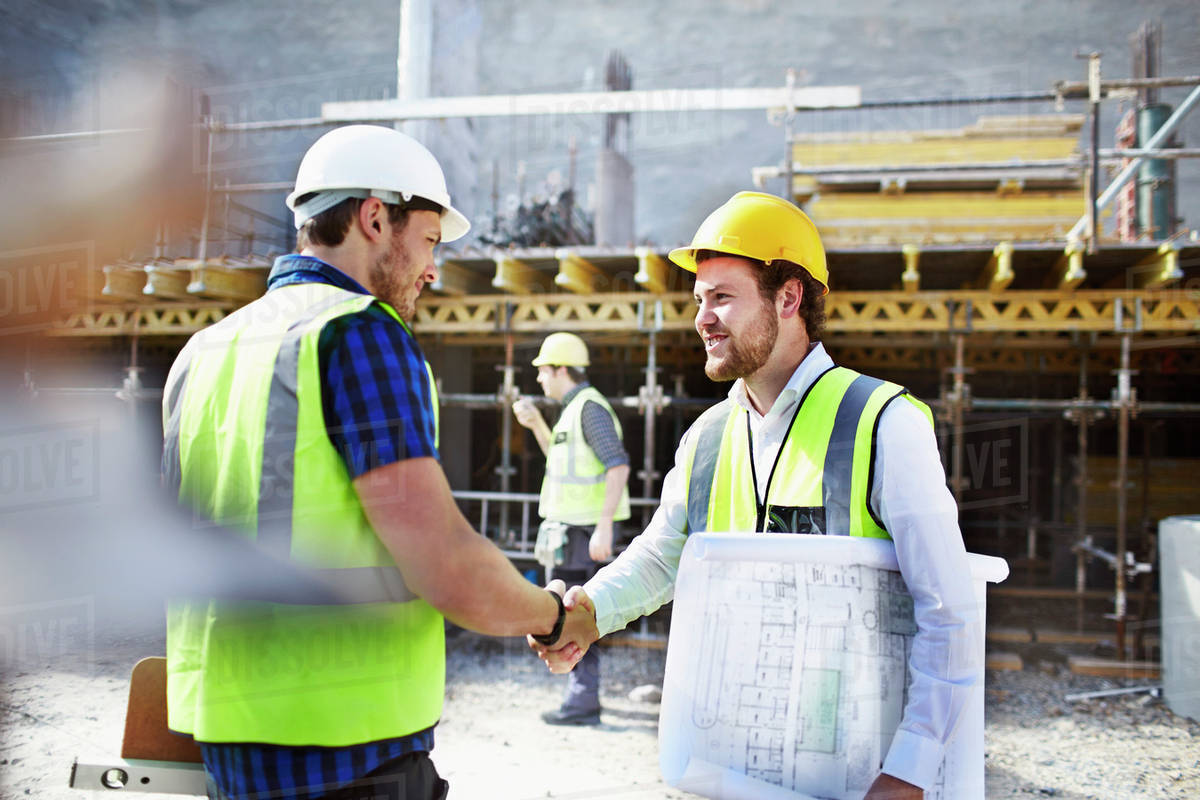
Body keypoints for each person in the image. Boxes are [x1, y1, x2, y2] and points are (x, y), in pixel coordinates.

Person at [161, 124, 590, 800]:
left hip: (225, 739)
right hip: (345, 741)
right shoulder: (357, 332)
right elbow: (445, 563)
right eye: (430, 240)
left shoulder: (203, 351)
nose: (433, 269)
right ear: (374, 218)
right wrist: (558, 618)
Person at [532, 191, 982, 800]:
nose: (702, 318)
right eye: (699, 299)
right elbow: (663, 556)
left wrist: (909, 770)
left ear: (788, 298)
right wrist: (589, 613)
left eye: (722, 297)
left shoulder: (883, 423)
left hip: (857, 773)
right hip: (736, 767)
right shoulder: (706, 438)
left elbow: (949, 610)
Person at [511, 332, 632, 725]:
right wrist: (536, 425)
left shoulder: (589, 408)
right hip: (572, 532)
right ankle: (580, 696)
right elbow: (559, 460)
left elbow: (617, 465)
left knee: (577, 616)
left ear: (561, 369)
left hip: (584, 533)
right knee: (570, 614)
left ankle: (583, 700)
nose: (539, 379)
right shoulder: (573, 409)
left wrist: (604, 527)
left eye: (543, 371)